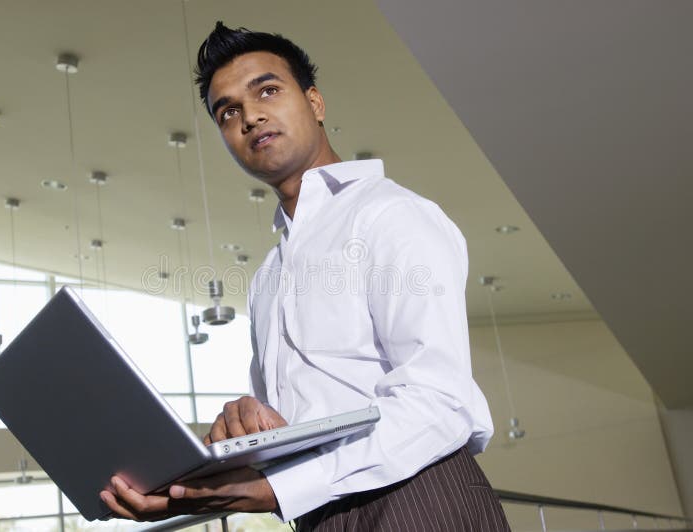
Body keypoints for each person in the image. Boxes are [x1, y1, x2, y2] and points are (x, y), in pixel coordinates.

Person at [100, 21, 510, 531]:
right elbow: (292, 437)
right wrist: (241, 433)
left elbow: (440, 403)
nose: (250, 116)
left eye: (267, 90)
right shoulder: (268, 278)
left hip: (418, 499)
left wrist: (275, 489)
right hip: (316, 514)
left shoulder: (390, 215)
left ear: (315, 102)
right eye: (228, 112)